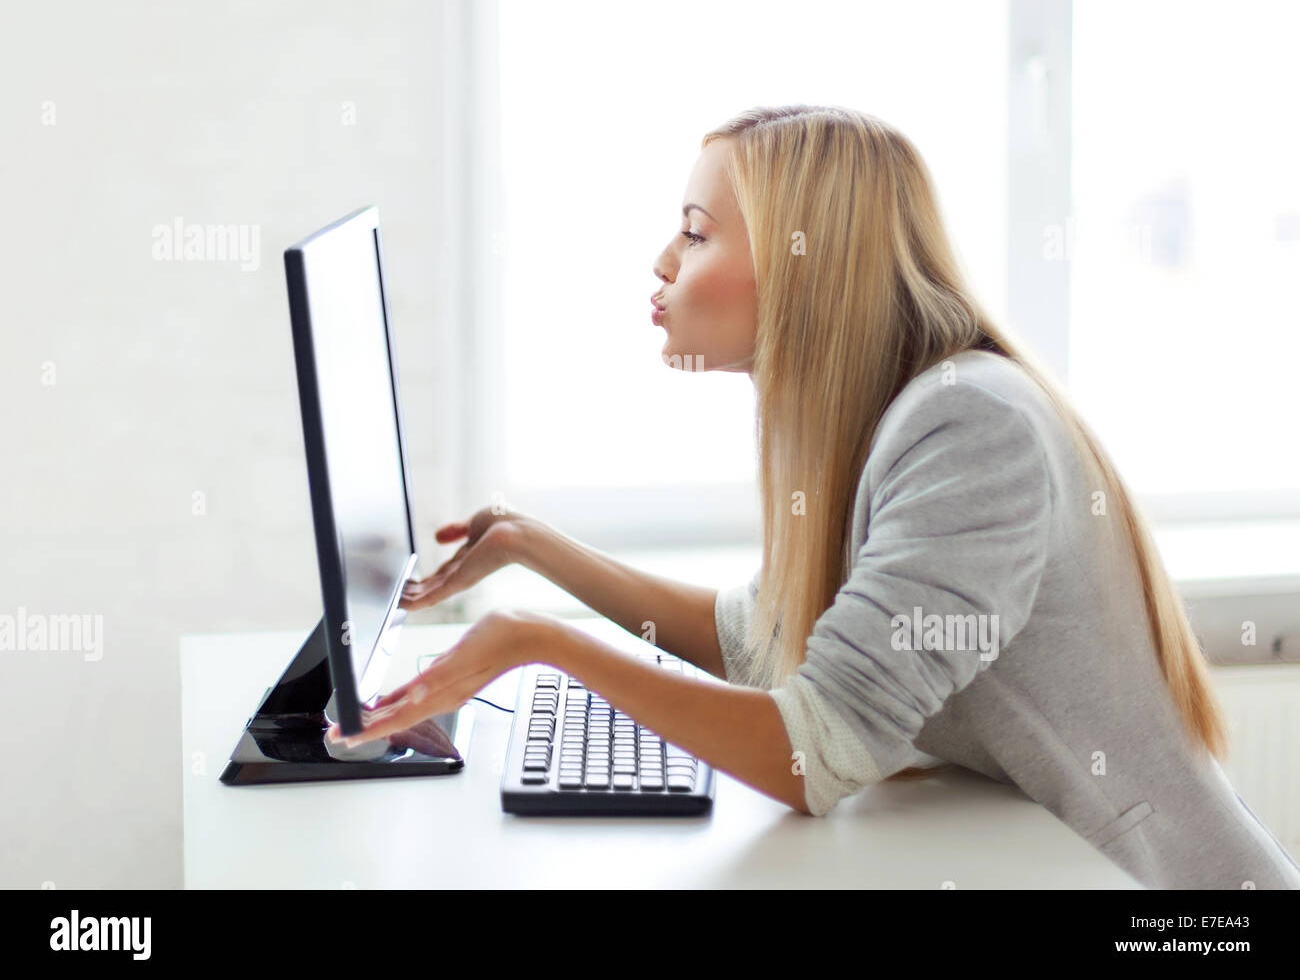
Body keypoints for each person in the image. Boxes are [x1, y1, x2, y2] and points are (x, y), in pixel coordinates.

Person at [331, 104, 1300, 890]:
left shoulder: (970, 429)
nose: (662, 261)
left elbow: (811, 754)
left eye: (695, 232)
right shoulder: (887, 419)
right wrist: (538, 551)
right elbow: (760, 635)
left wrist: (538, 643)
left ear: (804, 263)